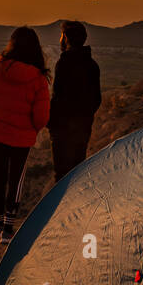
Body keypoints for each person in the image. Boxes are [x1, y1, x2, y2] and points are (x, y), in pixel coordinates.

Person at [0, 27, 50, 243]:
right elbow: (42, 115)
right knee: (15, 180)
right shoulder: (38, 79)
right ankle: (8, 229)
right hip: (22, 136)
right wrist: (32, 128)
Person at [48, 20, 101, 181]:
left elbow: (58, 97)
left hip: (63, 128)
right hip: (83, 127)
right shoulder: (92, 64)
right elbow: (96, 99)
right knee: (77, 173)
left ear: (66, 38)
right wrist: (85, 117)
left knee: (61, 174)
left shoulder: (64, 63)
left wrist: (51, 122)